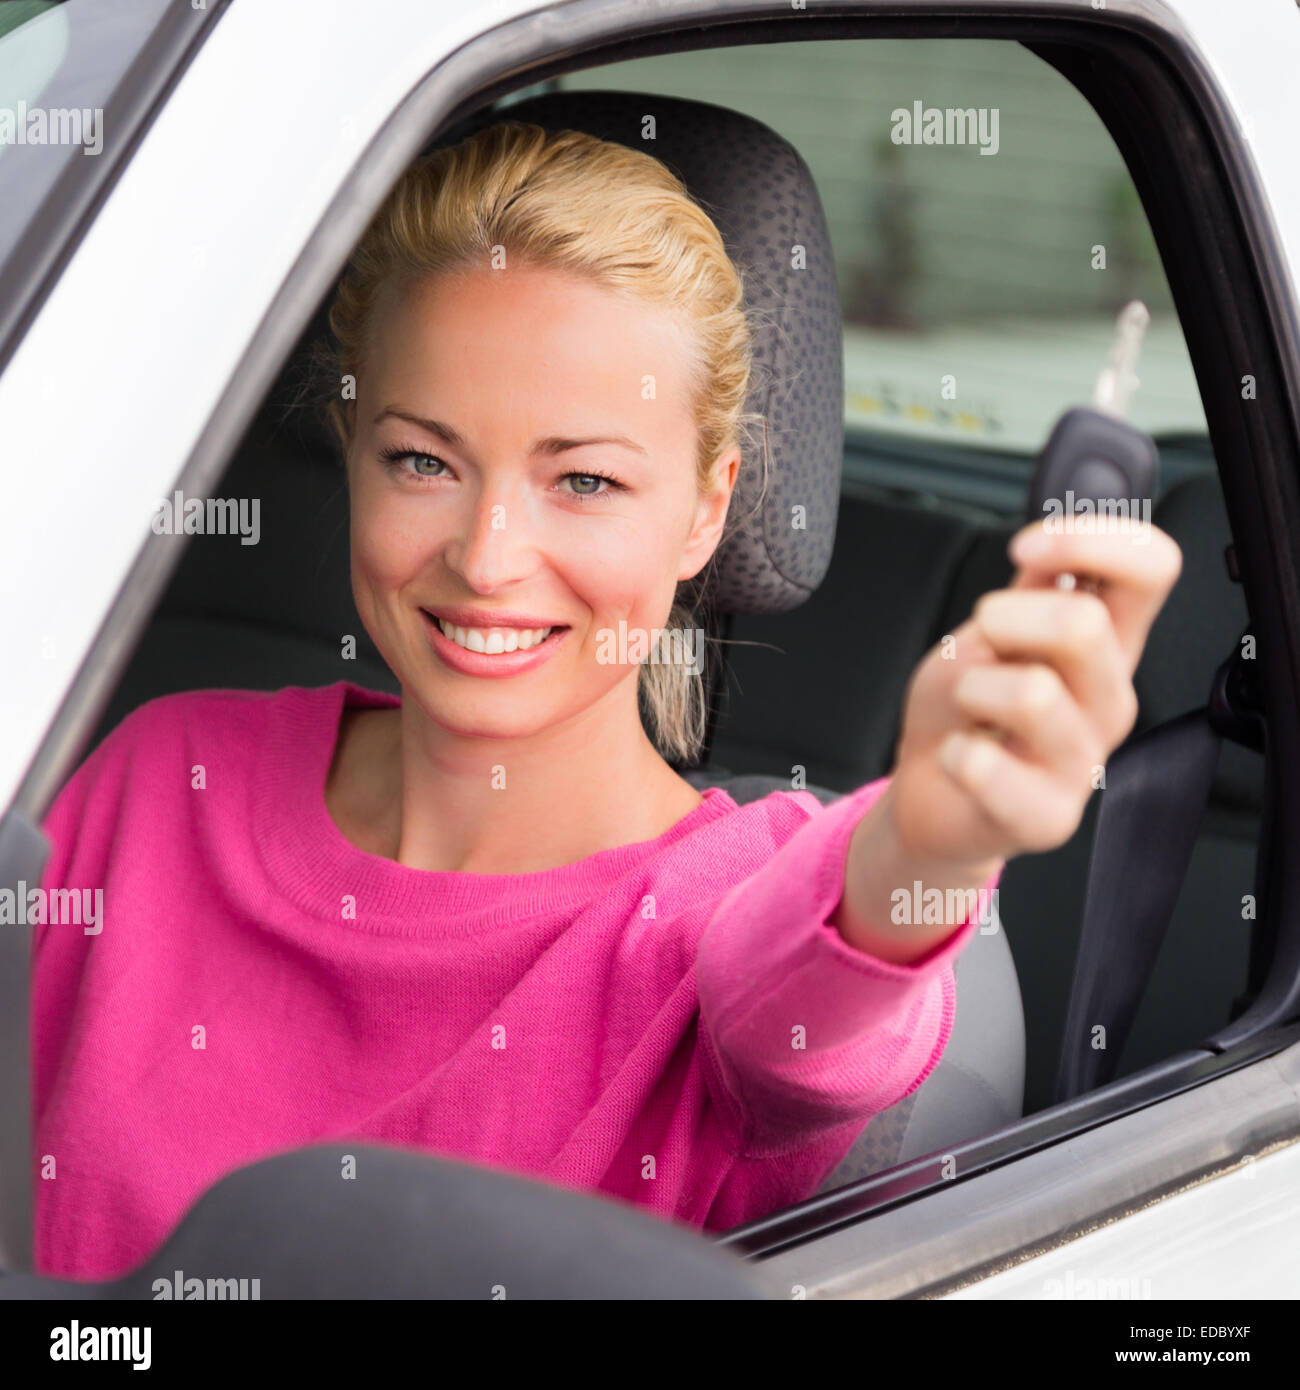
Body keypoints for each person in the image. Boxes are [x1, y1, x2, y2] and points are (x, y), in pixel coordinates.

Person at [30, 121, 1182, 1282]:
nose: (486, 558)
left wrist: (933, 831)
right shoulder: (160, 773)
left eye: (583, 480)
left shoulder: (719, 908)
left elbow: (819, 996)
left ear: (705, 508)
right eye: (422, 460)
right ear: (350, 446)